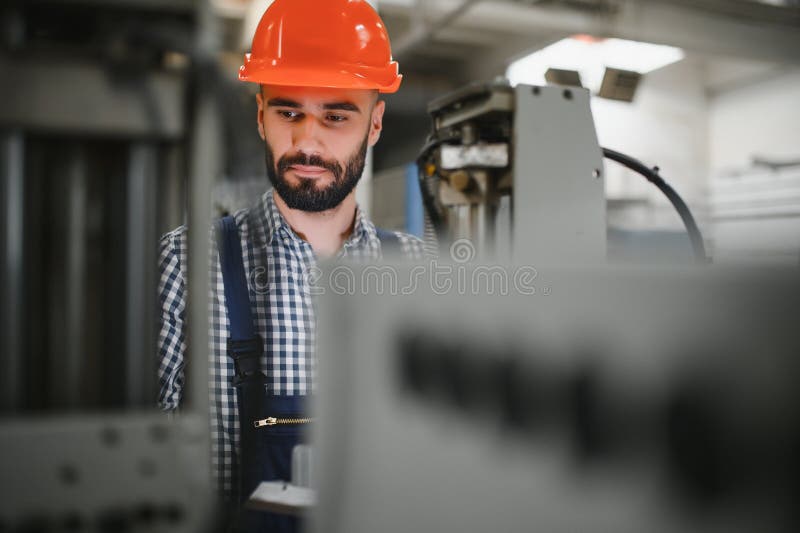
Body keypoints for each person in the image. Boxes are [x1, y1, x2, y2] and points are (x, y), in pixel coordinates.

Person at [156, 0, 423, 515]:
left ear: (375, 124)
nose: (307, 140)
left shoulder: (420, 273)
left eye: (336, 115)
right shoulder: (184, 266)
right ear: (261, 116)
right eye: (289, 111)